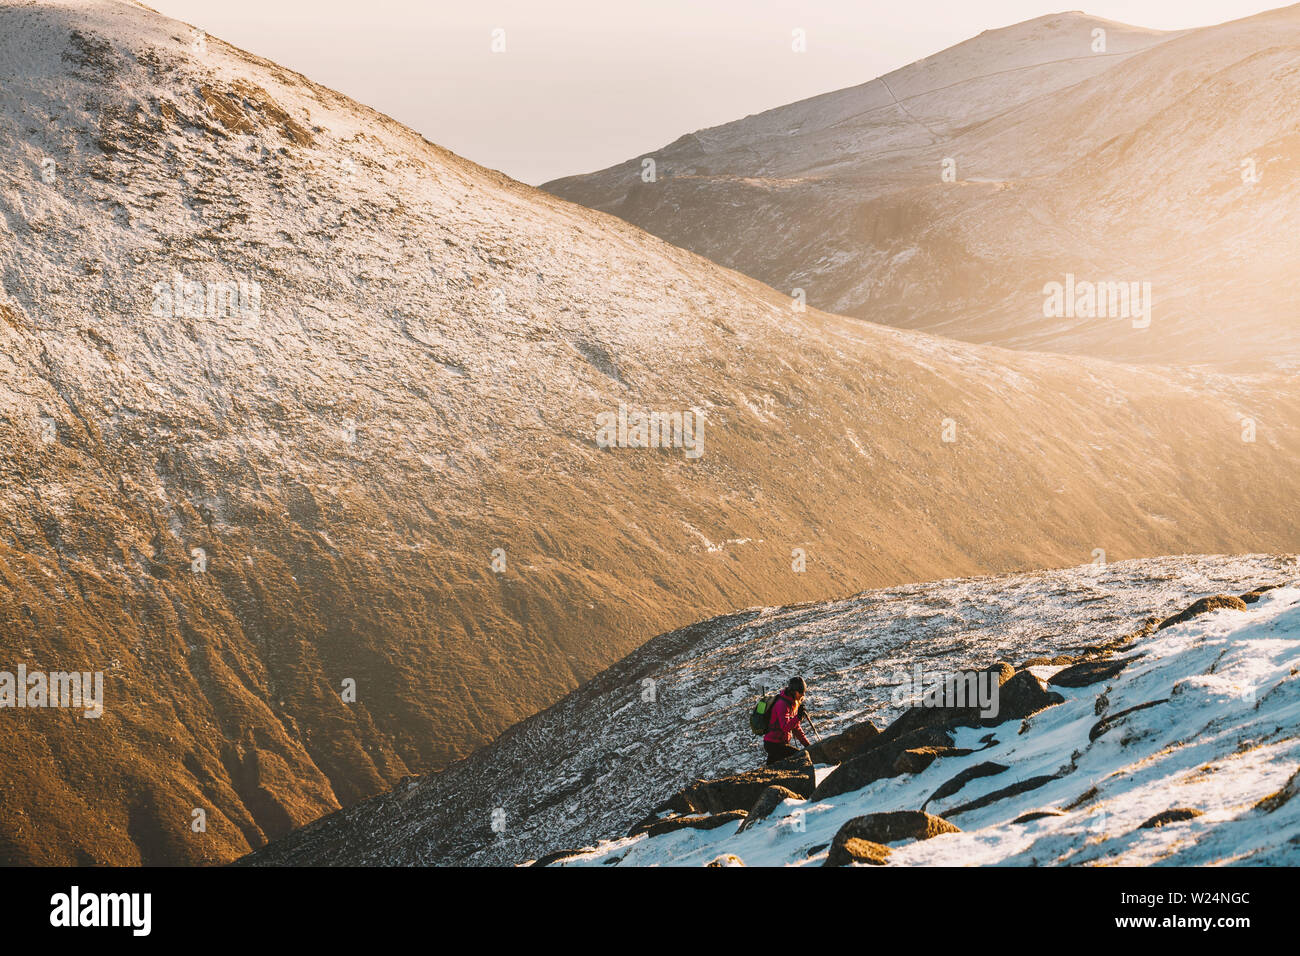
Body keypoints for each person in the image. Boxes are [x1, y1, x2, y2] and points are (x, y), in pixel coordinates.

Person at [763, 676, 810, 765]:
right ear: (794, 692)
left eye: (804, 692)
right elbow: (785, 727)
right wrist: (798, 717)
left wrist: (808, 746)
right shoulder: (782, 704)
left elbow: (796, 728)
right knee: (800, 756)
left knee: (771, 767)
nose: (803, 695)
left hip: (776, 743)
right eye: (801, 692)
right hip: (774, 744)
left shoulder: (793, 703)